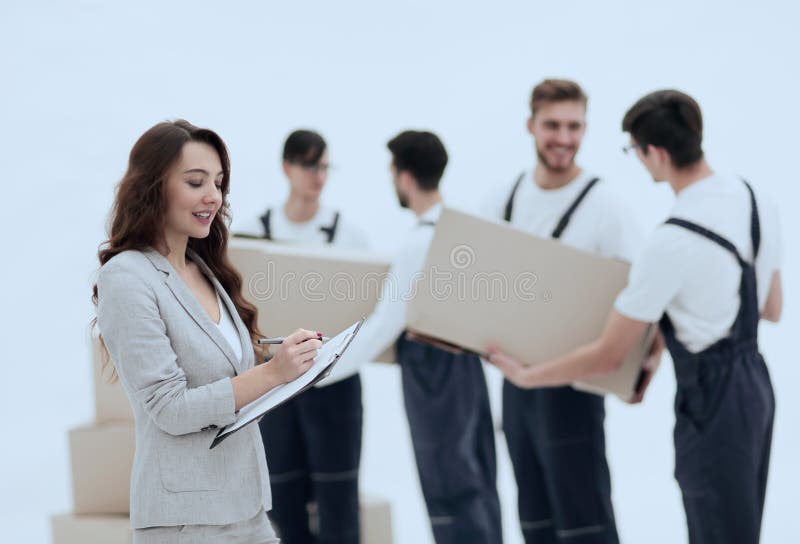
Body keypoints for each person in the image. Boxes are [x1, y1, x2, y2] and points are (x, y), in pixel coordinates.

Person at [489, 90, 782, 544]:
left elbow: (609, 356)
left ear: (656, 153)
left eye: (635, 151)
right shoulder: (755, 197)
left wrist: (527, 377)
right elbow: (772, 308)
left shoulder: (669, 242)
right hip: (756, 387)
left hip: (710, 400)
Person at [93, 120, 322, 543]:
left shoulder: (205, 270)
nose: (213, 196)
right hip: (186, 521)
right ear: (153, 187)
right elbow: (170, 408)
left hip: (247, 507)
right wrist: (273, 373)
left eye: (218, 183)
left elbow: (233, 382)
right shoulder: (126, 277)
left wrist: (290, 361)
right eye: (196, 182)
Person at [482, 78, 641, 544]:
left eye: (575, 126)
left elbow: (642, 300)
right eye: (553, 125)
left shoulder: (607, 207)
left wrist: (642, 368)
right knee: (534, 521)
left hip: (575, 389)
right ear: (530, 126)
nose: (564, 138)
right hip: (515, 386)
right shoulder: (503, 198)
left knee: (585, 524)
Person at [334, 130, 503, 543]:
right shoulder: (465, 231)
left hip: (435, 381)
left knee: (449, 491)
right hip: (470, 376)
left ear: (405, 177)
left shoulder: (420, 244)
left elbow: (381, 328)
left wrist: (318, 372)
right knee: (479, 485)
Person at [235, 129, 369, 544]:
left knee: (338, 502)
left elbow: (364, 316)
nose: (318, 175)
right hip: (275, 385)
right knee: (282, 500)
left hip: (334, 383)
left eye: (325, 166)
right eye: (310, 166)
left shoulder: (348, 236)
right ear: (287, 168)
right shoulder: (250, 234)